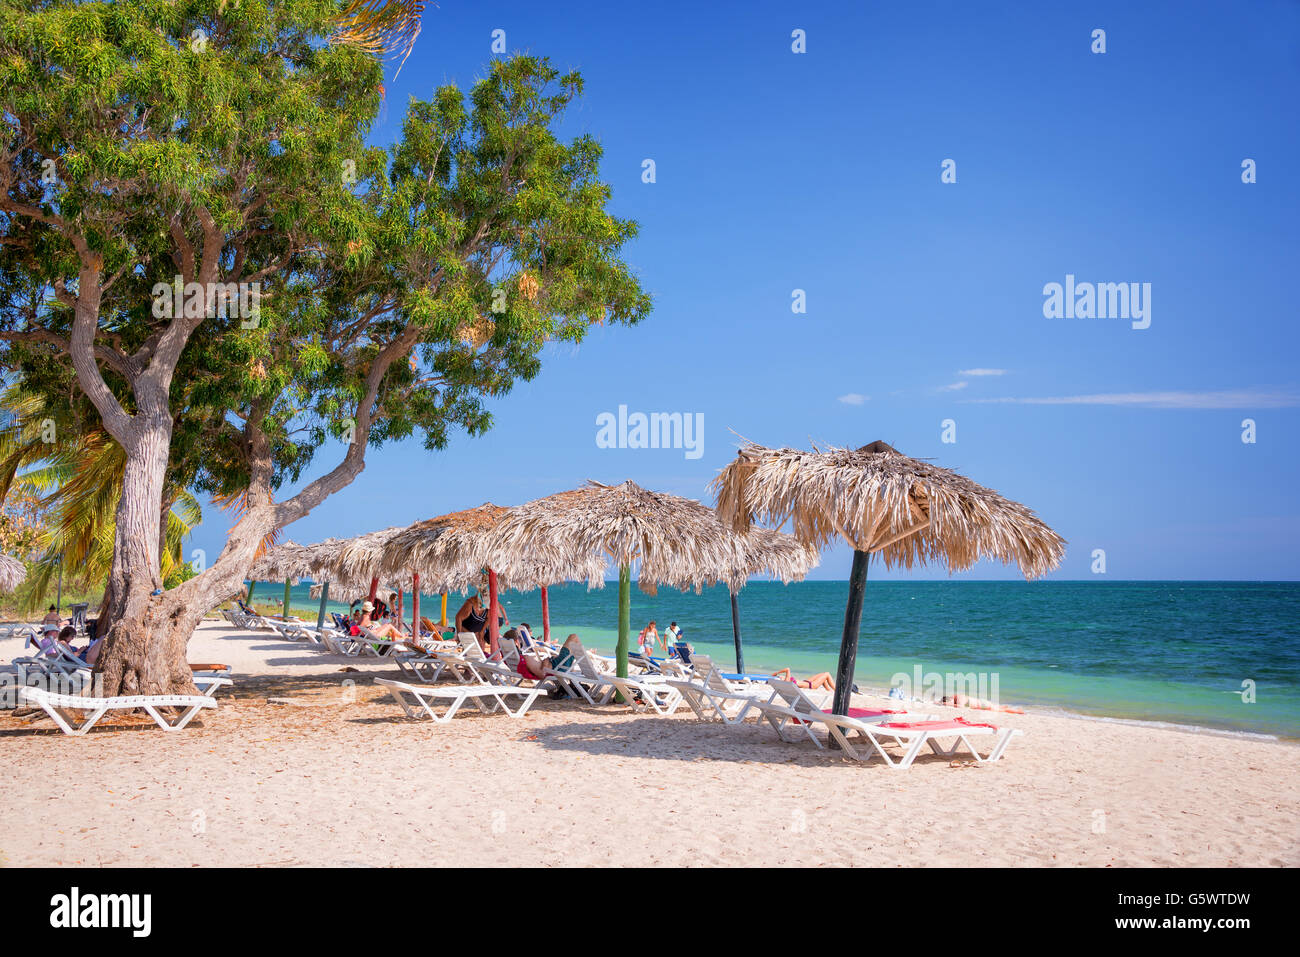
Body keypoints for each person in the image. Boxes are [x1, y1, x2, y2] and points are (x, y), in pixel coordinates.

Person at [517, 633, 584, 681]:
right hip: (558, 666)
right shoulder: (526, 658)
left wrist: (546, 660)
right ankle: (584, 665)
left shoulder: (522, 660)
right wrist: (546, 662)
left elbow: (542, 669)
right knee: (573, 637)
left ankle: (582, 665)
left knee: (573, 643)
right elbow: (543, 674)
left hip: (555, 663)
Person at [769, 667, 836, 692]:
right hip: (812, 685)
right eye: (780, 678)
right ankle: (836, 690)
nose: (780, 677)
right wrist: (776, 673)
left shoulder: (785, 682)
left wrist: (779, 676)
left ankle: (829, 690)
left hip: (807, 682)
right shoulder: (786, 681)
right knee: (827, 674)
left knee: (822, 674)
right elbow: (787, 669)